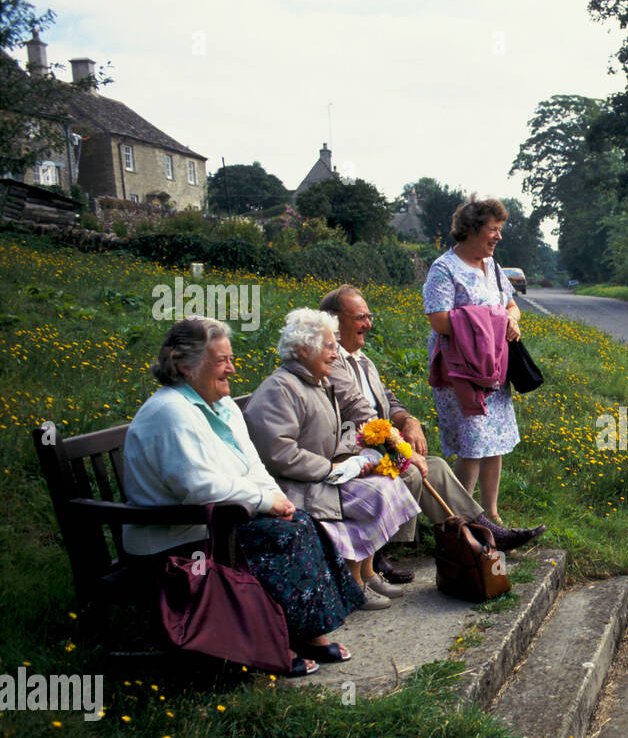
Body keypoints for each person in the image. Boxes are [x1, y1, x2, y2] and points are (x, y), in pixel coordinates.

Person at [122, 318, 365, 676]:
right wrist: (264, 503)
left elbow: (253, 465)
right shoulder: (170, 412)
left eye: (230, 358)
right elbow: (198, 487)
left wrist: (275, 498)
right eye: (221, 360)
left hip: (216, 522)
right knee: (282, 537)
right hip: (174, 540)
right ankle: (270, 644)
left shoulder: (223, 407)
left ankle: (302, 631)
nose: (232, 368)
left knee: (299, 520)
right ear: (185, 365)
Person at [318, 285, 544, 583]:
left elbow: (387, 401)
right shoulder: (332, 361)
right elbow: (361, 411)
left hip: (378, 443)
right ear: (334, 320)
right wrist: (403, 451)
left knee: (434, 465)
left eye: (369, 316)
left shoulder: (362, 360)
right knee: (412, 471)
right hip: (350, 450)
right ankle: (381, 551)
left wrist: (409, 421)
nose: (368, 324)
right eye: (360, 317)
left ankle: (479, 532)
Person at [244, 309, 420, 611]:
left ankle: (367, 572)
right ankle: (354, 586)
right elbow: (278, 453)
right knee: (373, 495)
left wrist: (355, 460)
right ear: (302, 350)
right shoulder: (280, 389)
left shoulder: (316, 382)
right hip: (293, 488)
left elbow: (329, 435)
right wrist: (332, 467)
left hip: (319, 478)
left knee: (383, 481)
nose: (335, 353)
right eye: (328, 346)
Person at [423, 197, 522, 526]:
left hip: (493, 367)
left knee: (495, 441)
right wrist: (490, 324)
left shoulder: (492, 266)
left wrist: (510, 320)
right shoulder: (444, 268)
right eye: (493, 229)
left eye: (499, 229)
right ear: (472, 229)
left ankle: (491, 514)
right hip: (461, 370)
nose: (499, 236)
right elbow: (438, 319)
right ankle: (460, 519)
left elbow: (510, 304)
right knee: (473, 443)